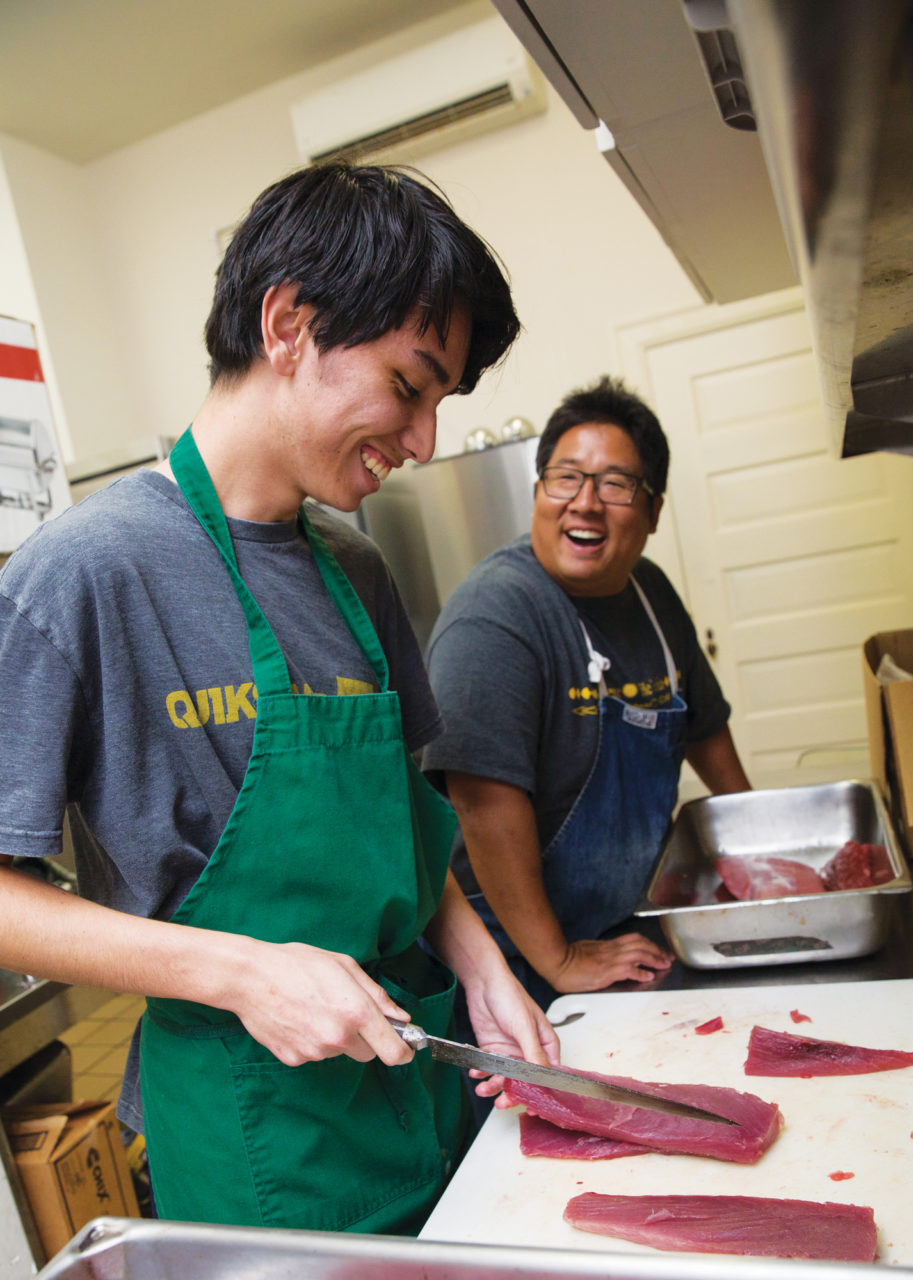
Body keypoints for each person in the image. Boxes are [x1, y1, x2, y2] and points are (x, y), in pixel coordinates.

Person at [0, 162, 558, 1236]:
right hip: (249, 1138)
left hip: (419, 1090)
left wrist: (484, 969)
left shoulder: (358, 571)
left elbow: (402, 827)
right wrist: (242, 972)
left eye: (439, 404)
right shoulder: (82, 575)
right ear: (289, 322)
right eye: (409, 385)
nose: (423, 441)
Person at [422, 375, 752, 1014]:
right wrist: (560, 959)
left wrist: (758, 851)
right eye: (565, 478)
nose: (585, 503)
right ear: (538, 492)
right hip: (508, 959)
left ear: (653, 511)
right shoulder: (495, 616)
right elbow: (484, 807)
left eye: (616, 484)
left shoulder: (651, 593)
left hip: (617, 925)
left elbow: (706, 730)